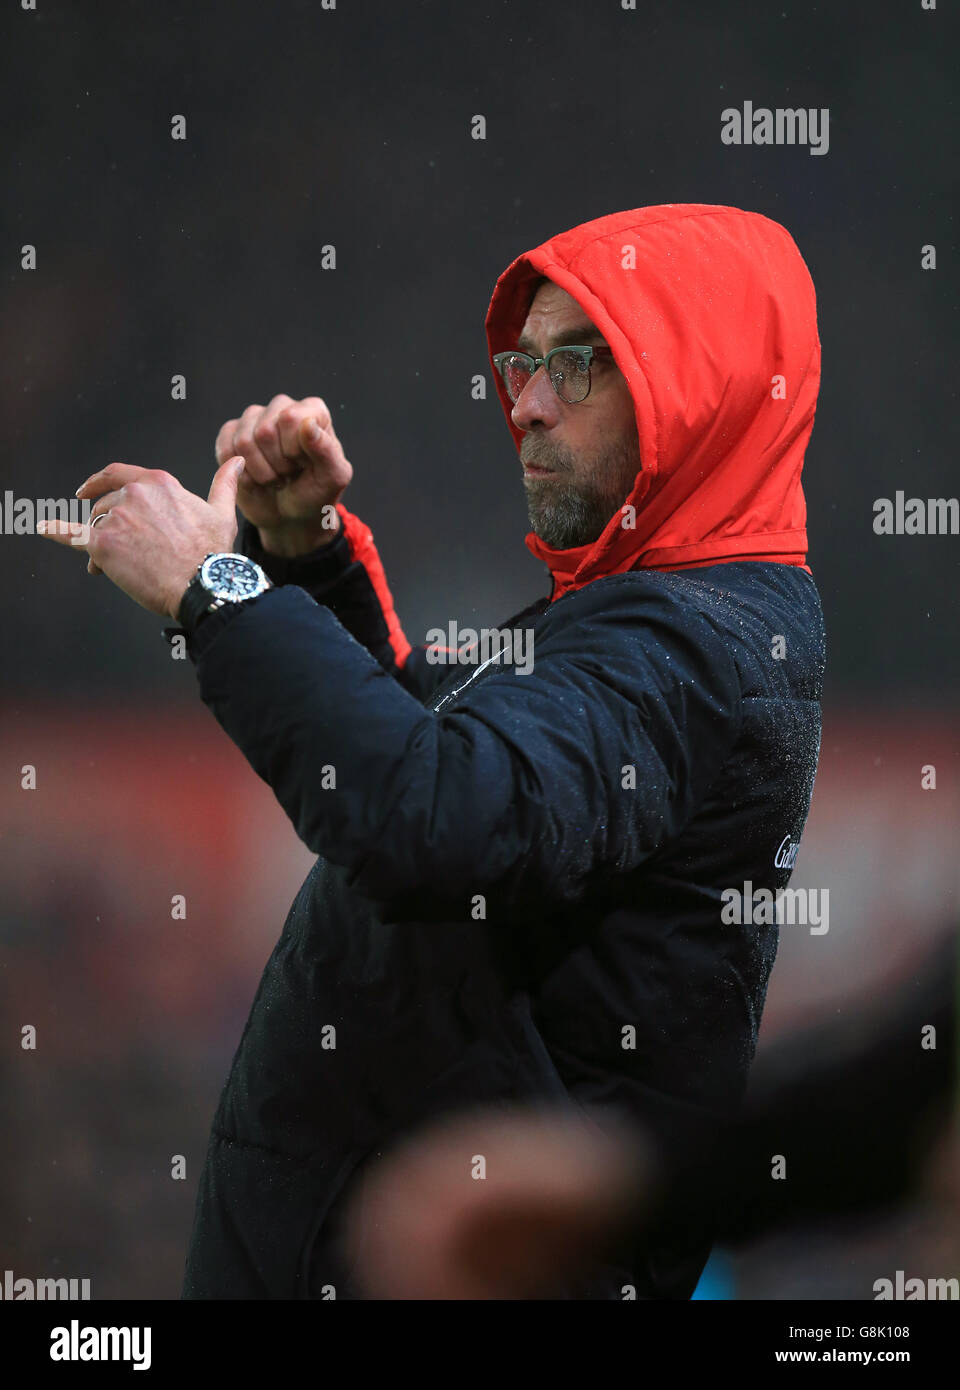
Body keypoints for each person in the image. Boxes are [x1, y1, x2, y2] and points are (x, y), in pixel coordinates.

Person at [37, 202, 826, 1299]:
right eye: (522, 363)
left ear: (704, 386)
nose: (530, 405)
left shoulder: (680, 643)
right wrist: (302, 556)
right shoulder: (662, 612)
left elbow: (433, 823)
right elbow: (439, 780)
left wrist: (214, 590)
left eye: (582, 364)